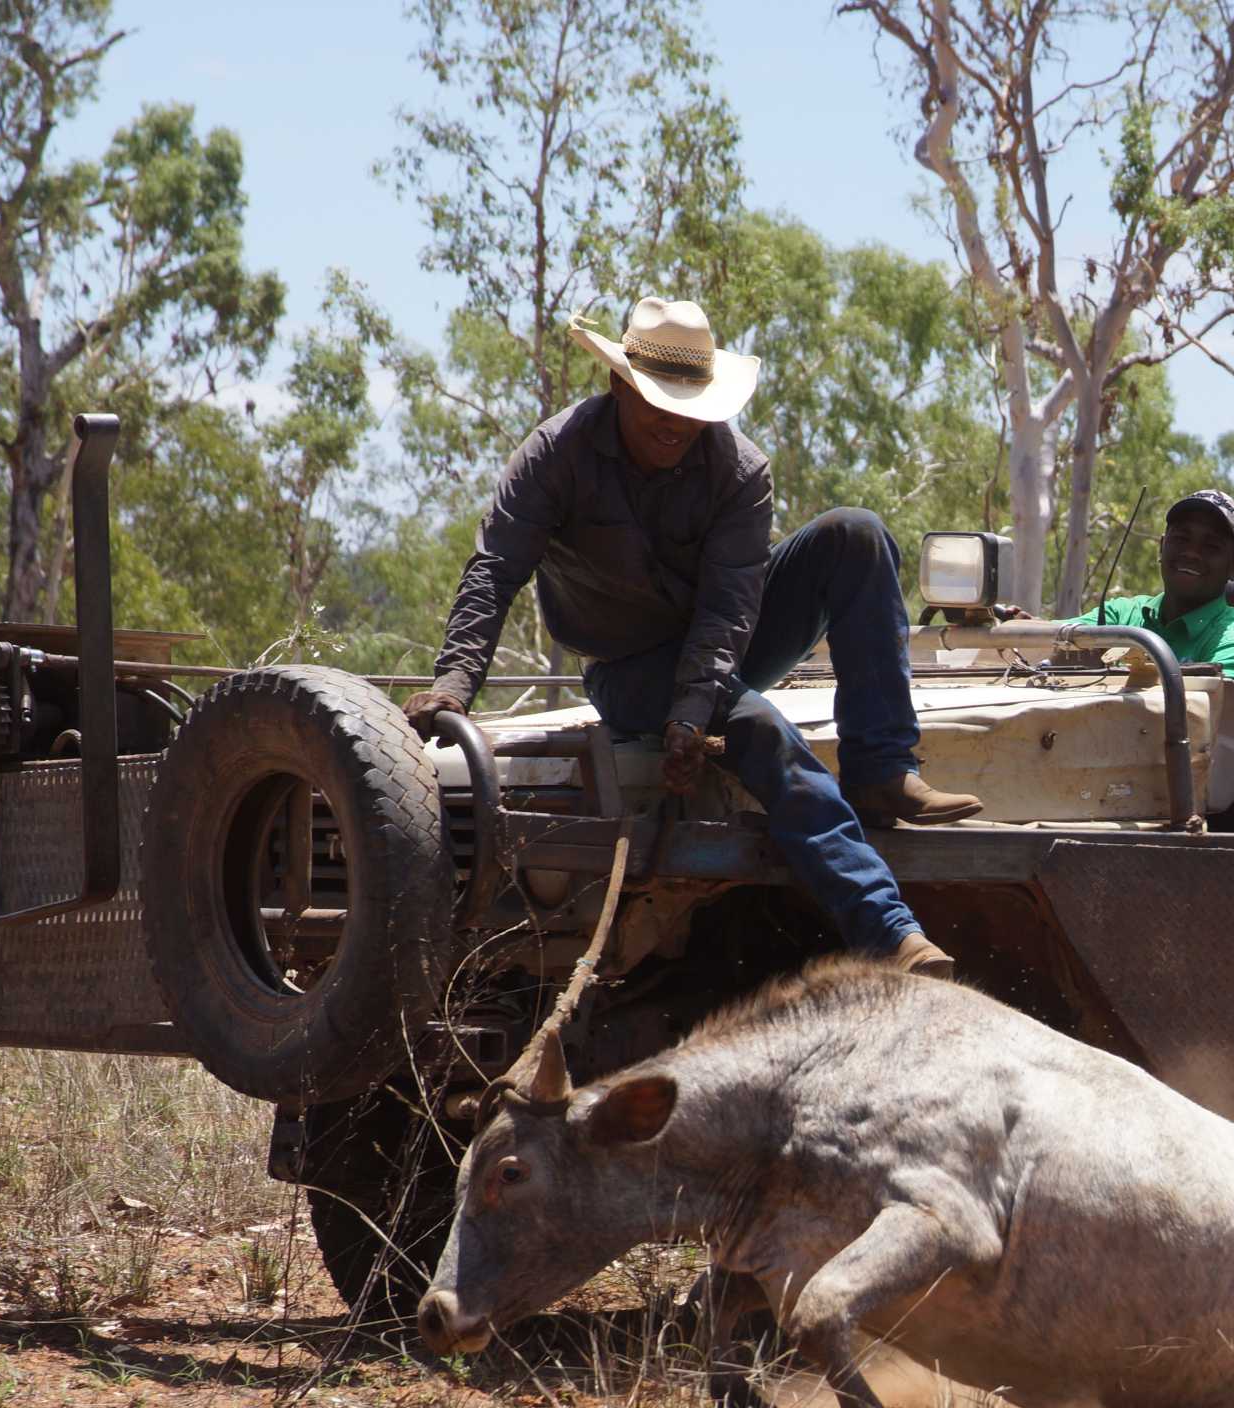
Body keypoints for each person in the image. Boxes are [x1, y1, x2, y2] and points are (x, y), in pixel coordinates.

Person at [405, 295, 971, 974]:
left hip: (721, 642)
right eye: (658, 405)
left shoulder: (739, 470)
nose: (676, 424)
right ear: (619, 385)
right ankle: (889, 930)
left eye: (690, 407)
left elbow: (730, 609)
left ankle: (884, 770)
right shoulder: (557, 455)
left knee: (856, 534)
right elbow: (494, 571)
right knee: (759, 731)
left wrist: (693, 712)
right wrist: (454, 685)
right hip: (630, 665)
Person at [1065, 489, 1234, 687]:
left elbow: (1198, 718)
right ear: (1161, 547)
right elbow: (1047, 641)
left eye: (1211, 546)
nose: (1191, 553)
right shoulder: (1122, 615)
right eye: (1181, 539)